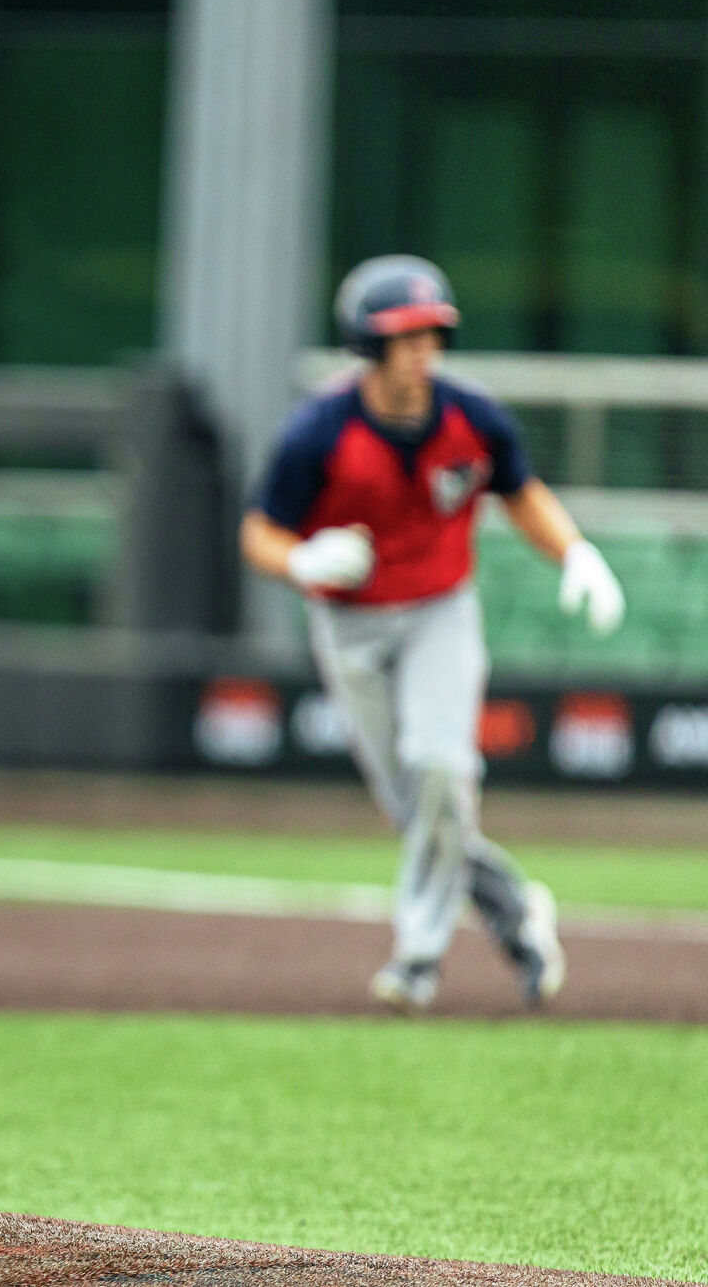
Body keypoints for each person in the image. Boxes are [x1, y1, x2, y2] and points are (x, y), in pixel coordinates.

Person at [241, 254, 625, 1012]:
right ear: (369, 345)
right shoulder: (319, 429)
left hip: (440, 610)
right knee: (415, 804)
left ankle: (418, 958)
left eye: (432, 334)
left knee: (440, 765)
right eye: (406, 335)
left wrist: (575, 552)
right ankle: (515, 906)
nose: (425, 349)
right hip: (349, 623)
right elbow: (260, 532)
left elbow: (521, 493)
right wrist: (304, 557)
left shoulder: (471, 416)